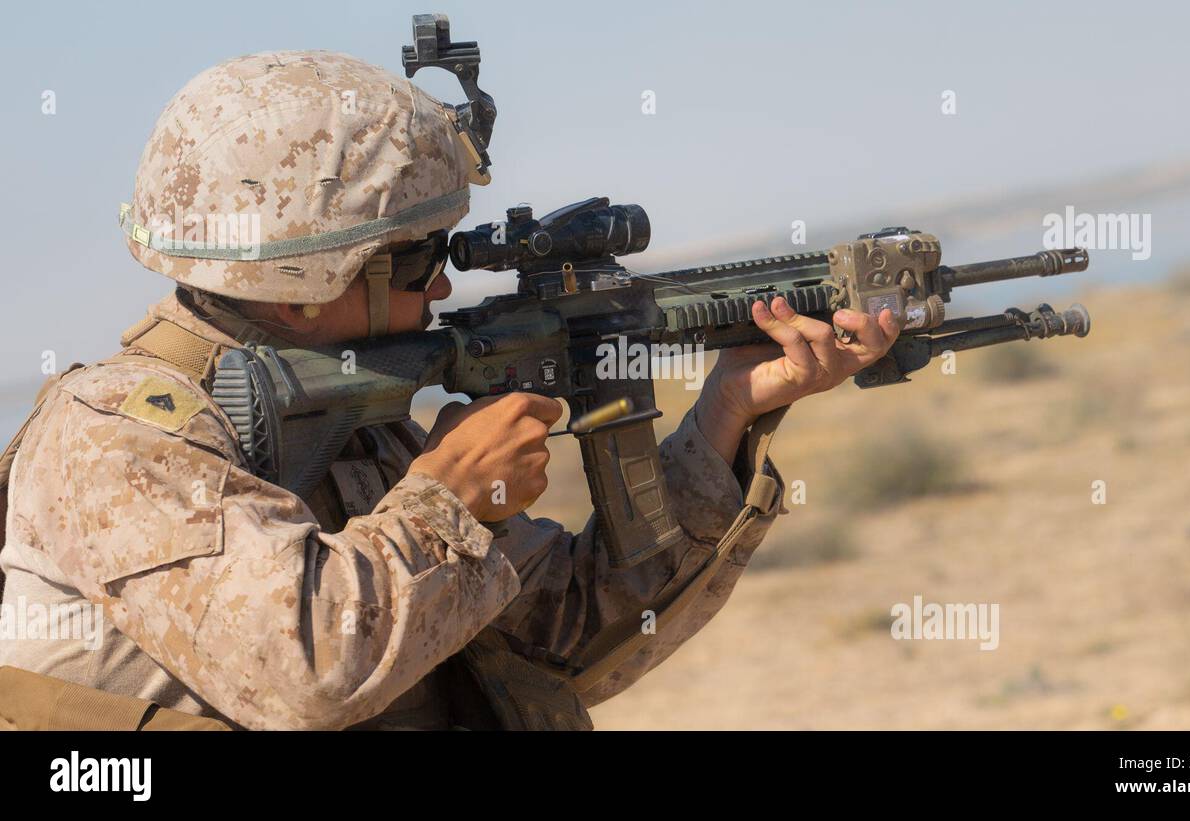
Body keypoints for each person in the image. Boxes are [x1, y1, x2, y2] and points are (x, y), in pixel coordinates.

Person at [0, 51, 898, 730]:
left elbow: (565, 631)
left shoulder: (358, 425)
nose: (441, 290)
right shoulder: (113, 437)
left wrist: (728, 412)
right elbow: (302, 669)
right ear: (312, 275)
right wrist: (448, 501)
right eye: (422, 258)